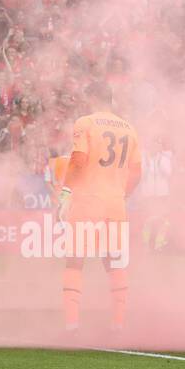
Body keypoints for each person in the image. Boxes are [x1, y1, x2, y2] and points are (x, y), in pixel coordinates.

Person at [56, 82, 141, 333]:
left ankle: (71, 324)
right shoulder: (129, 128)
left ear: (92, 97)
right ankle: (118, 325)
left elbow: (78, 161)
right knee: (114, 262)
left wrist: (66, 192)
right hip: (115, 205)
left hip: (86, 201)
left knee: (74, 262)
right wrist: (121, 195)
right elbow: (137, 173)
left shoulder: (86, 123)